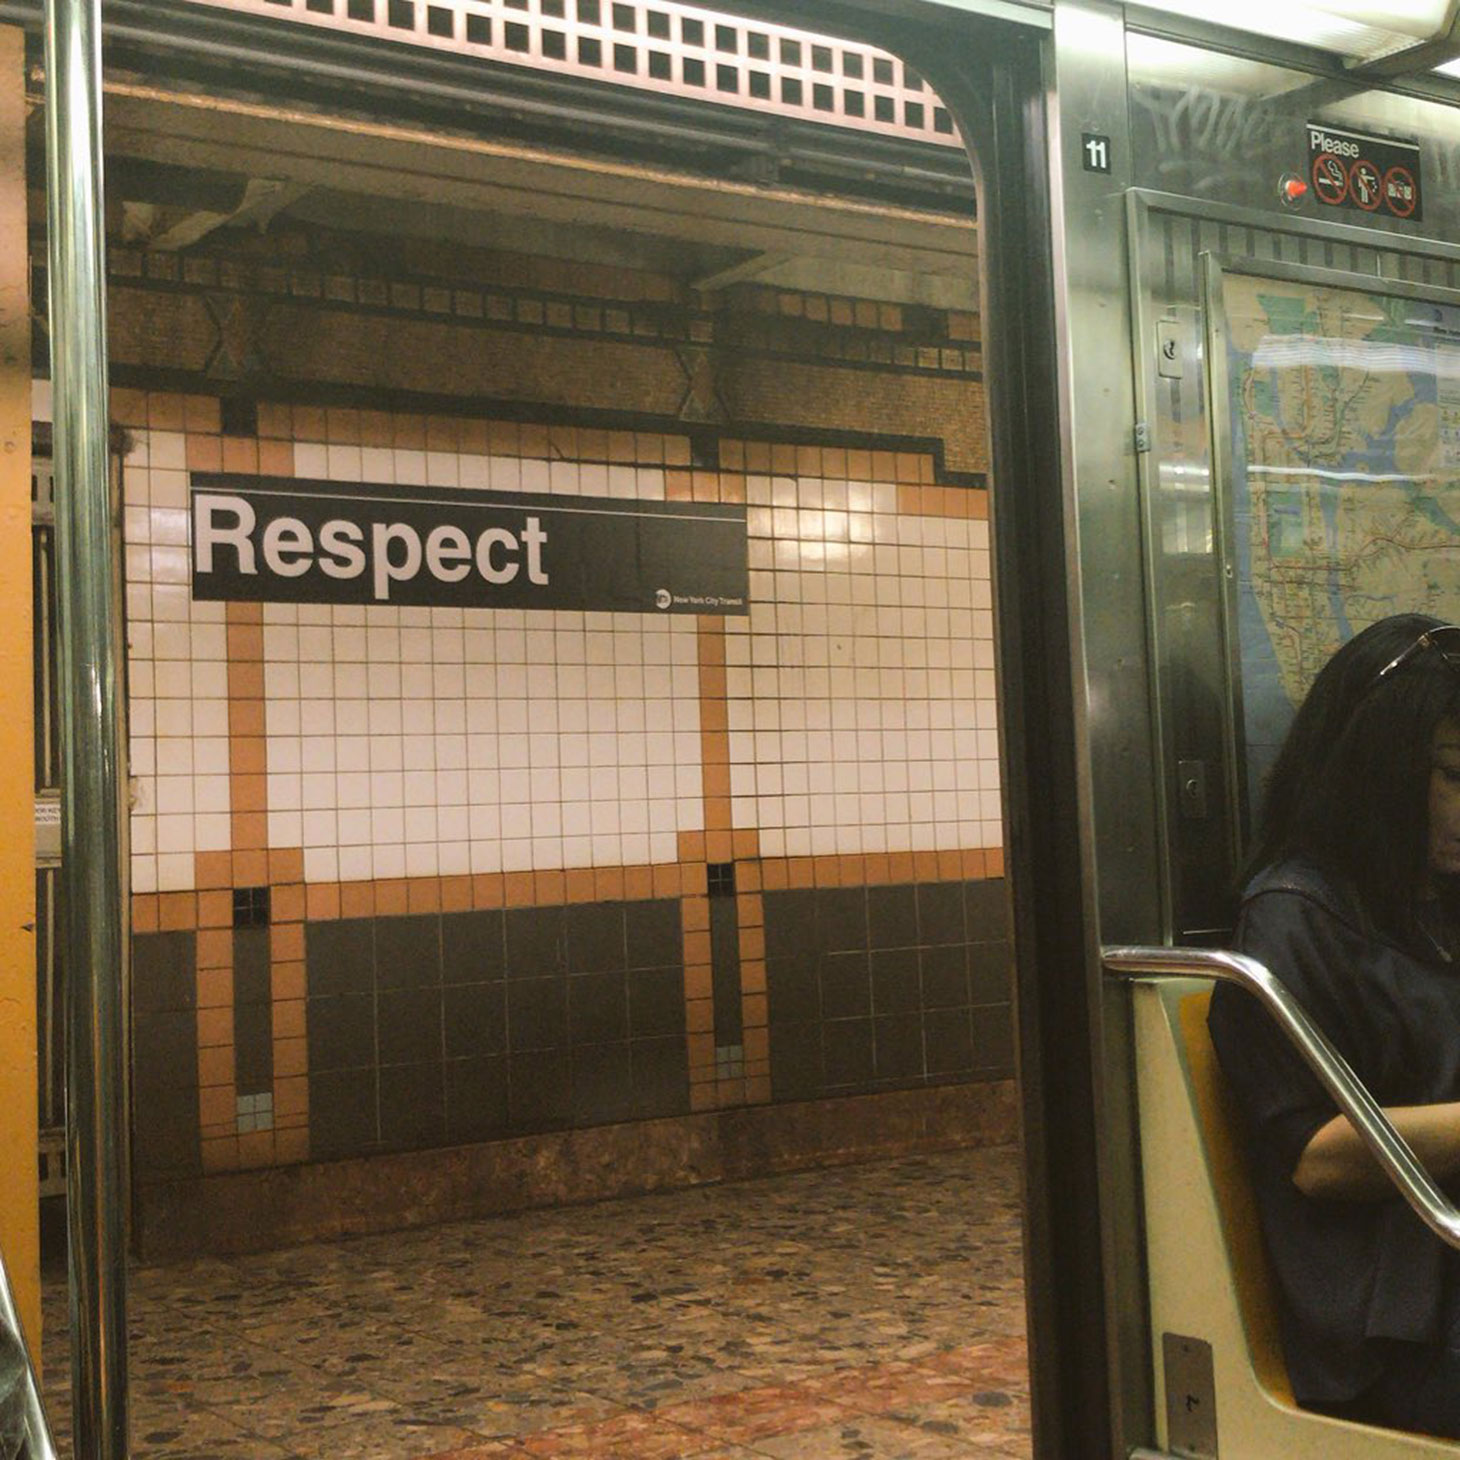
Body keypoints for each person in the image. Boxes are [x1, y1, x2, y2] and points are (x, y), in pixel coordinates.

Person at [1209, 612, 1460, 1438]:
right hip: (1390, 1304)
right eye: (1453, 775)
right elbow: (1316, 1157)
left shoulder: (1439, 898)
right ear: (1377, 773)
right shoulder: (1293, 917)